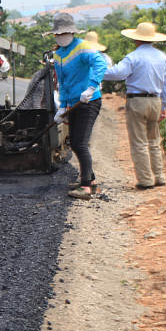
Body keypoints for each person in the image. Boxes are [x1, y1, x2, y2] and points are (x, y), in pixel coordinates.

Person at [102, 21, 166, 190]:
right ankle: (159, 176)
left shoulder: (133, 57)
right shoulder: (162, 57)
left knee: (139, 142)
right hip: (156, 101)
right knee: (154, 140)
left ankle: (145, 180)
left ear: (137, 39)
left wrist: (99, 68)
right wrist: (164, 105)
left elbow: (116, 74)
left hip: (137, 101)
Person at [51, 13, 108, 200]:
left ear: (72, 32)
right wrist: (62, 107)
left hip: (89, 101)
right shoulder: (58, 54)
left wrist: (91, 87)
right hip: (74, 104)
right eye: (60, 33)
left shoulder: (83, 47)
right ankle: (89, 179)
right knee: (74, 142)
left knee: (80, 143)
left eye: (66, 32)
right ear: (55, 35)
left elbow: (100, 64)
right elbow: (63, 83)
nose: (63, 36)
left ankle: (85, 187)